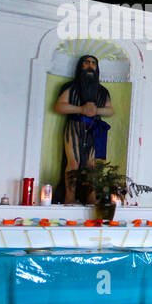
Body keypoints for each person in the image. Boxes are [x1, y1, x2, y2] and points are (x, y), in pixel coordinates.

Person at [53, 54, 115, 203]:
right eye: (86, 62)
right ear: (81, 66)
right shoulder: (70, 87)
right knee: (73, 162)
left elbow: (110, 110)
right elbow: (59, 106)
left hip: (93, 128)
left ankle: (91, 196)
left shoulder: (102, 91)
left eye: (93, 63)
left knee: (91, 165)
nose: (90, 65)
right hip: (75, 126)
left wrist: (96, 111)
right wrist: (81, 109)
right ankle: (69, 196)